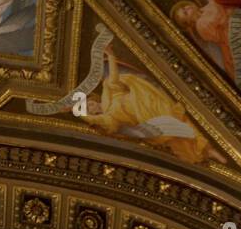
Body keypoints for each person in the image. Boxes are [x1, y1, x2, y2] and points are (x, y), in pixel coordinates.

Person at [85, 46, 227, 165]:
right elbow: (97, 121)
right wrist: (80, 113)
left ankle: (208, 147)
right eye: (89, 110)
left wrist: (111, 56)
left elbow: (114, 77)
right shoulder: (108, 119)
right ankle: (207, 151)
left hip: (147, 102)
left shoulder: (108, 93)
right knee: (175, 137)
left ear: (95, 99)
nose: (91, 108)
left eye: (90, 104)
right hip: (148, 120)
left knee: (179, 120)